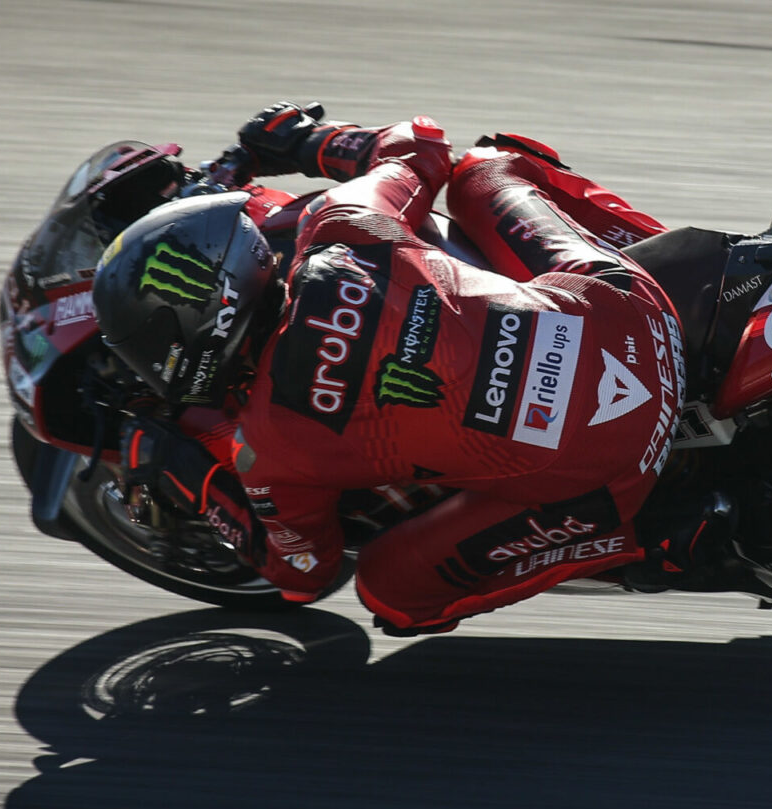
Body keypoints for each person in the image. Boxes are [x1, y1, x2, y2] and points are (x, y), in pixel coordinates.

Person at [92, 102, 690, 635]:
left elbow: (303, 573)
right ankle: (694, 272)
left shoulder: (270, 446)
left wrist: (192, 476)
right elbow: (422, 148)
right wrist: (306, 140)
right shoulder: (340, 223)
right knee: (489, 165)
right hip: (637, 310)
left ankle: (654, 541)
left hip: (614, 464)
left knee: (391, 594)